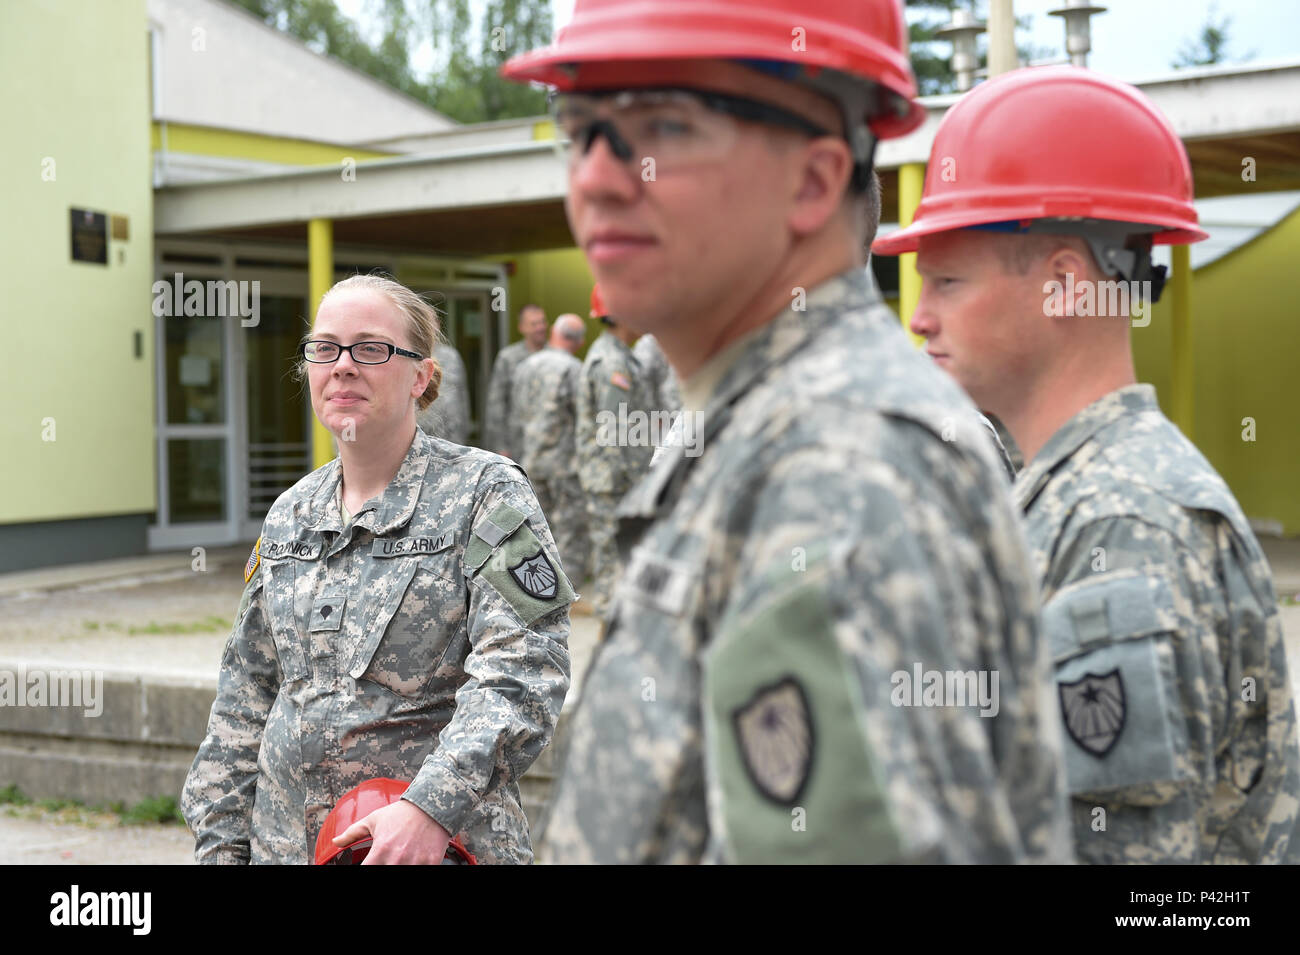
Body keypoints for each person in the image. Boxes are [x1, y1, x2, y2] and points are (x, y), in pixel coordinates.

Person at [503, 0, 1070, 863]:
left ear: (812, 181)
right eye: (581, 128)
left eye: (661, 125)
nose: (598, 176)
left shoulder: (840, 463)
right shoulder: (761, 423)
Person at [873, 66, 1300, 864]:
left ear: (1067, 285)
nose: (920, 317)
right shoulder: (1066, 490)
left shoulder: (1124, 523)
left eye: (948, 281)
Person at [181, 274, 573, 865]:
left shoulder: (484, 493)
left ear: (421, 375)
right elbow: (245, 697)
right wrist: (220, 846)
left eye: (371, 348)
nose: (342, 366)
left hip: (435, 847)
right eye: (325, 348)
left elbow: (524, 670)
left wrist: (431, 807)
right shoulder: (291, 513)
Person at [575, 285, 655, 620]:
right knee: (611, 558)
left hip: (617, 477)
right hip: (613, 480)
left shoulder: (621, 355)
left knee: (618, 556)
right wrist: (634, 482)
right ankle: (610, 625)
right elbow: (614, 433)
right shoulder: (612, 363)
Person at [512, 314, 591, 587]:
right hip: (565, 465)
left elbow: (517, 413)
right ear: (578, 341)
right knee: (570, 531)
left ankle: (539, 592)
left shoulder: (525, 366)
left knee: (536, 532)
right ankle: (569, 594)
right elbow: (585, 418)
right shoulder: (573, 369)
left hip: (531, 461)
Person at [484, 304, 548, 459]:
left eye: (543, 322)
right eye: (534, 324)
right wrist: (500, 445)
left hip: (549, 445)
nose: (540, 327)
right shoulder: (508, 358)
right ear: (522, 328)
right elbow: (496, 403)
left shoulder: (556, 356)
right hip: (518, 443)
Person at [416, 341, 471, 445]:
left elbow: (461, 397)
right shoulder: (411, 353)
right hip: (421, 433)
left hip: (450, 434)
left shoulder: (451, 356)